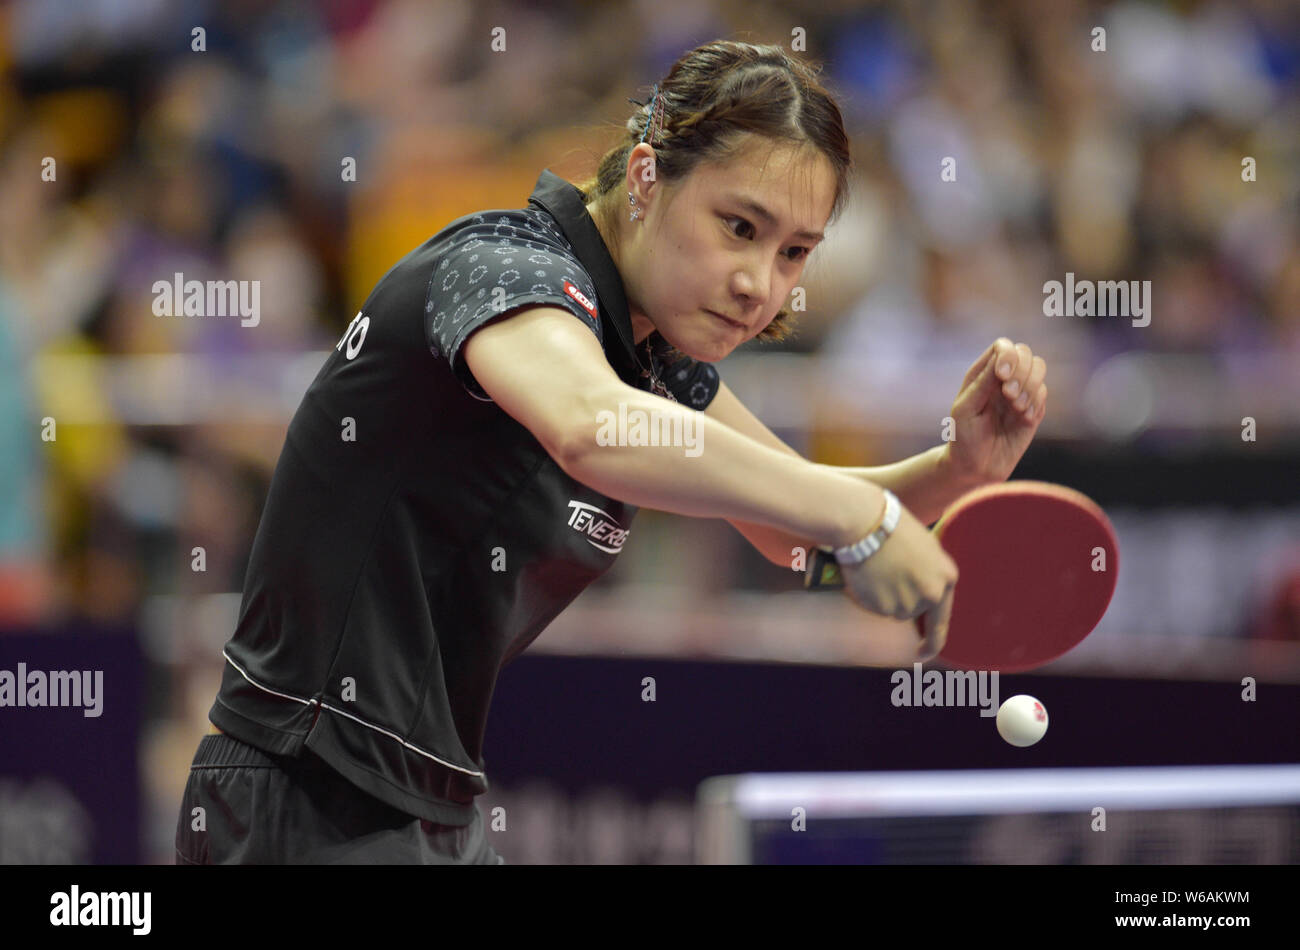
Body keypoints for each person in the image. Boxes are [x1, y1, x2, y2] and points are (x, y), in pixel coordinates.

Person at [175, 40, 1048, 865]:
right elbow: (593, 426)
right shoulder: (502, 267)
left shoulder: (653, 356)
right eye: (738, 226)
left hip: (424, 802)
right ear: (644, 177)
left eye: (793, 253)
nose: (761, 284)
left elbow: (788, 526)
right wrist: (860, 515)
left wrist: (955, 469)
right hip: (306, 794)